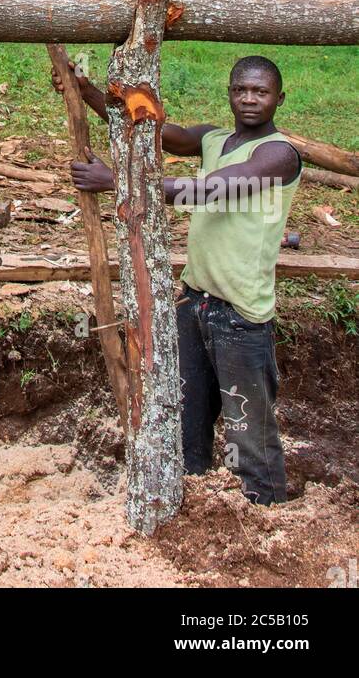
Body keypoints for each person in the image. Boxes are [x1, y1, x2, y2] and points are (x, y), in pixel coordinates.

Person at [67, 54, 302, 505]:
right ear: (230, 94)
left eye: (260, 91)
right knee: (187, 417)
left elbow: (212, 188)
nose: (249, 99)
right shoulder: (213, 139)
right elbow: (146, 128)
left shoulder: (278, 154)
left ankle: (268, 511)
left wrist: (118, 182)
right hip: (195, 304)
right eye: (241, 90)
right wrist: (86, 91)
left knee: (248, 429)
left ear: (279, 98)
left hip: (241, 316)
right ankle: (193, 498)